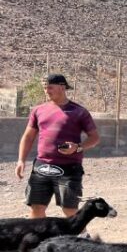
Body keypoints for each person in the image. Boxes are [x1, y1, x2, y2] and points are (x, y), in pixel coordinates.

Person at [15, 74, 100, 218]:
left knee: (70, 211)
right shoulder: (38, 110)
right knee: (36, 208)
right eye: (44, 88)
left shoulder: (79, 112)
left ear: (62, 87)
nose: (46, 91)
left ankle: (81, 233)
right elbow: (28, 137)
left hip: (69, 168)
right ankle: (39, 234)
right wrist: (21, 160)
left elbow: (95, 138)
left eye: (50, 88)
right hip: (41, 167)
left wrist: (78, 147)